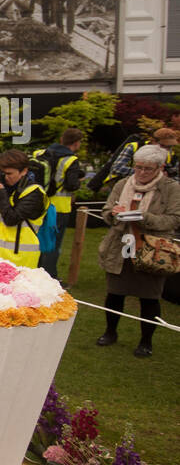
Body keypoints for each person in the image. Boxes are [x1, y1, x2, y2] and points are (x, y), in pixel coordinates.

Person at [95, 144, 180, 358]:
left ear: (160, 168)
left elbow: (174, 219)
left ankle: (146, 341)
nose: (141, 173)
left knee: (149, 298)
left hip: (151, 250)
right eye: (138, 167)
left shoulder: (171, 188)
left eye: (147, 169)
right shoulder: (123, 184)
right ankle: (110, 331)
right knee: (114, 293)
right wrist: (114, 213)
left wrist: (144, 217)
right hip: (120, 246)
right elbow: (106, 211)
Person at [0, 149, 48, 268]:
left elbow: (11, 219)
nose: (5, 177)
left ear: (24, 171)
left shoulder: (34, 192)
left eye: (9, 174)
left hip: (20, 259)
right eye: (2, 173)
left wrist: (0, 191)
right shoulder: (4, 188)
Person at [32, 127, 85, 280]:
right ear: (76, 143)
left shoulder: (40, 153)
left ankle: (35, 270)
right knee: (53, 243)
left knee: (37, 238)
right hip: (59, 207)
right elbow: (71, 185)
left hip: (38, 203)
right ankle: (49, 276)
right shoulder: (71, 160)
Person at [88, 127, 180, 193]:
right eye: (163, 145)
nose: (166, 149)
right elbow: (116, 168)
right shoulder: (134, 147)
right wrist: (149, 174)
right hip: (125, 186)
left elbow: (175, 178)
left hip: (153, 191)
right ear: (153, 141)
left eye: (170, 147)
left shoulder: (171, 156)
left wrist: (166, 177)